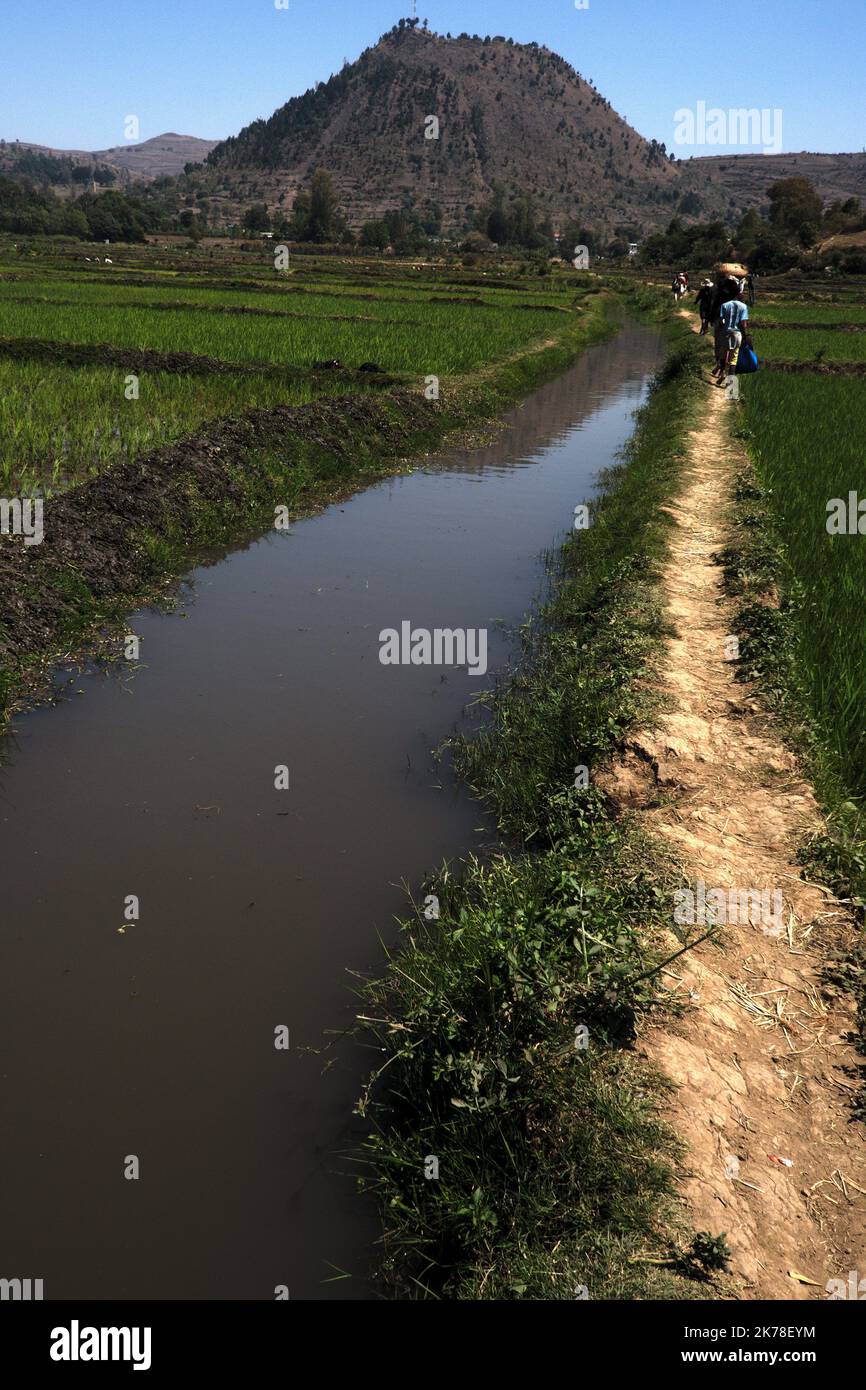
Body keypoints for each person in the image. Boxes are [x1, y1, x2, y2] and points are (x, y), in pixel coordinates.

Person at [714, 292, 749, 386]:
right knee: (734, 358)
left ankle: (722, 372)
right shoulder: (744, 307)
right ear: (741, 299)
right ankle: (729, 383)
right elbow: (743, 324)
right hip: (737, 334)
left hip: (726, 333)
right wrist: (745, 336)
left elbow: (721, 321)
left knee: (723, 354)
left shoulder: (725, 305)